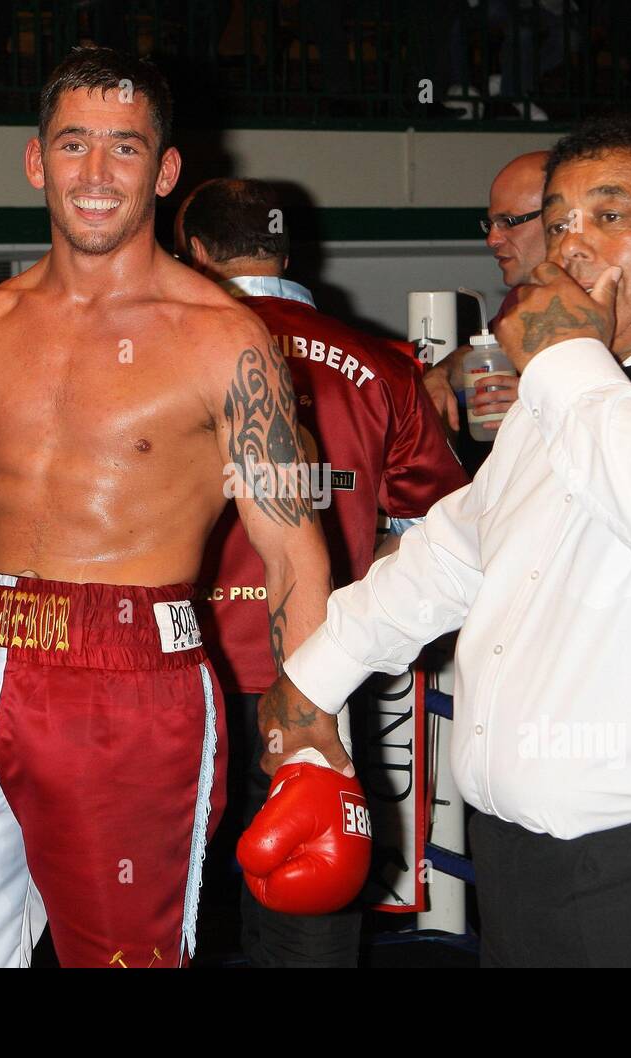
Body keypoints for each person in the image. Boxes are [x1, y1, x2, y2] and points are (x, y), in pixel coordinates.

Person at [254, 112, 631, 967]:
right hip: (524, 869)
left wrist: (563, 362)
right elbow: (457, 548)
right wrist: (310, 681)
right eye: (561, 219)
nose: (571, 246)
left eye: (609, 216)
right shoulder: (569, 393)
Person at [0, 46, 343, 968]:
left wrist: (313, 741)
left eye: (125, 149)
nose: (95, 175)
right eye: (73, 145)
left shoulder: (227, 342)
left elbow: (292, 550)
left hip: (130, 678)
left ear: (166, 169)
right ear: (35, 160)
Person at [177, 177, 469, 966]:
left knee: (167, 908)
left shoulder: (163, 355)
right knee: (310, 908)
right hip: (320, 676)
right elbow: (442, 538)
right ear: (286, 250)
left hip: (179, 671)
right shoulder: (383, 365)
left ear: (194, 252)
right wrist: (351, 595)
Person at [422, 150, 545, 434]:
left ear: (559, 220)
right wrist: (440, 374)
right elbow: (485, 350)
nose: (492, 239)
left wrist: (541, 400)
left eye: (508, 222)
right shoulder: (525, 298)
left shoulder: (609, 302)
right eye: (490, 224)